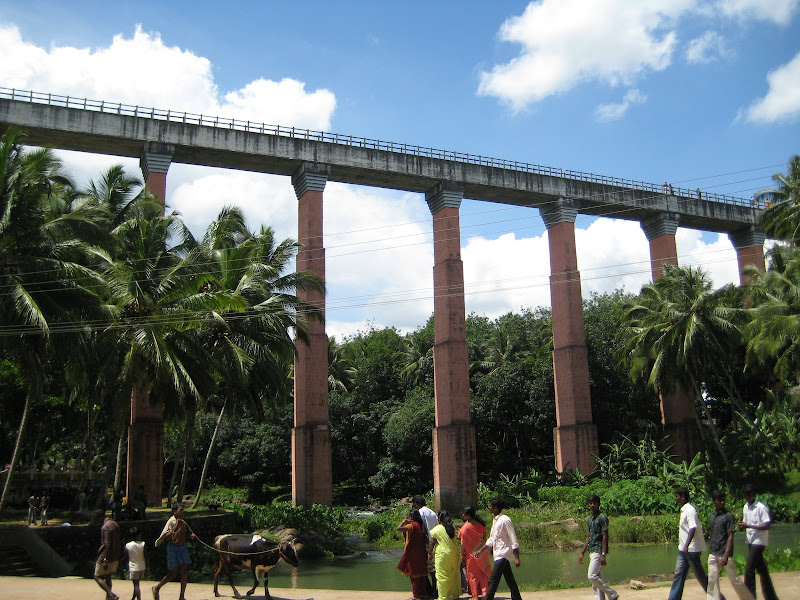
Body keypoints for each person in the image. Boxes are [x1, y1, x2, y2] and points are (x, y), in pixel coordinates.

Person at [473, 497, 522, 600]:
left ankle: (488, 598)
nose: (488, 507)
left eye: (490, 506)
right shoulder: (496, 520)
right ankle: (517, 598)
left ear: (495, 508)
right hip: (499, 553)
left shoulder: (505, 520)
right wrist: (481, 550)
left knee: (493, 580)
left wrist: (516, 557)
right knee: (510, 579)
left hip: (503, 553)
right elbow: (492, 539)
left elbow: (513, 538)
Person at [708, 489, 751, 600]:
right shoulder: (712, 516)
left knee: (734, 579)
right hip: (713, 552)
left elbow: (731, 536)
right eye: (720, 500)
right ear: (714, 501)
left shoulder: (728, 516)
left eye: (723, 500)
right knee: (712, 580)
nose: (722, 502)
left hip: (724, 553)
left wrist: (726, 555)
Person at [738, 485, 779, 600]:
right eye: (746, 495)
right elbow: (746, 523)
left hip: (759, 541)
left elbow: (767, 525)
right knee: (762, 570)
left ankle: (749, 597)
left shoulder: (760, 507)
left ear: (753, 495)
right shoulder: (745, 507)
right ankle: (771, 596)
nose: (748, 497)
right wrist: (742, 527)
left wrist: (749, 526)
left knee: (749, 569)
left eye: (749, 495)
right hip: (750, 540)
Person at [668, 487, 708, 600]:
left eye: (677, 496)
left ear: (683, 497)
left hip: (691, 550)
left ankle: (716, 596)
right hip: (683, 550)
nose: (675, 499)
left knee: (701, 577)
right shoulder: (683, 510)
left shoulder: (690, 510)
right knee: (678, 575)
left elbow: (692, 528)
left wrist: (686, 545)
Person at [578, 494, 619, 600]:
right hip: (591, 550)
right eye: (591, 503)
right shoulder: (590, 519)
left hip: (598, 550)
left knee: (591, 576)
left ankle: (612, 594)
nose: (592, 505)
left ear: (598, 504)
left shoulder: (602, 518)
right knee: (597, 578)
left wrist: (603, 554)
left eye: (594, 503)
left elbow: (605, 536)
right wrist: (582, 552)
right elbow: (588, 536)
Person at [153, 502, 196, 600]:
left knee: (185, 571)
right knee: (173, 573)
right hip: (173, 548)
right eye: (180, 510)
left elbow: (183, 535)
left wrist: (190, 536)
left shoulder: (183, 522)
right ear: (174, 511)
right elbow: (167, 536)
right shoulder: (172, 522)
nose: (182, 512)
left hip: (183, 547)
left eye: (182, 511)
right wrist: (174, 530)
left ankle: (182, 596)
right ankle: (157, 587)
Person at [397, 509, 430, 600]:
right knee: (422, 573)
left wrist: (403, 521)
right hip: (421, 552)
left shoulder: (411, 526)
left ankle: (416, 595)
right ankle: (424, 594)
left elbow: (399, 528)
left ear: (411, 517)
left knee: (414, 574)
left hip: (413, 553)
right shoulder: (420, 525)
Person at [459, 507, 491, 600]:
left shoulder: (465, 528)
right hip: (482, 553)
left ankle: (475, 596)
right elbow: (484, 539)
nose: (462, 515)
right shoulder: (481, 525)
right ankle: (485, 593)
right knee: (484, 573)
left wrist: (462, 556)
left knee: (473, 576)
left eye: (464, 514)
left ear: (468, 516)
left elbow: (463, 544)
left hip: (471, 555)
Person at [428, 511, 461, 600]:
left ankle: (443, 596)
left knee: (441, 576)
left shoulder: (438, 528)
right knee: (452, 574)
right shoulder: (452, 527)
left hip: (442, 555)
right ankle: (453, 595)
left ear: (439, 518)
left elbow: (432, 542)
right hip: (453, 554)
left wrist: (429, 553)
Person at [412, 495, 438, 594]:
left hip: (427, 543)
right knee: (433, 568)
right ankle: (435, 588)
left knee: (425, 567)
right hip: (435, 541)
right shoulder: (432, 512)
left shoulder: (420, 512)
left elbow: (422, 528)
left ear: (416, 503)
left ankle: (428, 590)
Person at [94, 509, 122, 600]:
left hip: (106, 556)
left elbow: (107, 544)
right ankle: (108, 597)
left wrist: (105, 559)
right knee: (108, 576)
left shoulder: (105, 527)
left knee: (97, 576)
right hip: (115, 555)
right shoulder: (115, 524)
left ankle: (111, 594)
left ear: (99, 517)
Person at [126, 527, 149, 600]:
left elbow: (125, 556)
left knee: (136, 585)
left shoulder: (128, 545)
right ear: (138, 535)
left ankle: (139, 598)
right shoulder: (143, 544)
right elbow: (146, 556)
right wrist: (148, 566)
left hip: (133, 568)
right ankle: (133, 598)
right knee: (137, 585)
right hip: (142, 567)